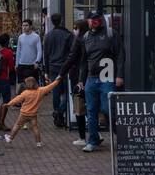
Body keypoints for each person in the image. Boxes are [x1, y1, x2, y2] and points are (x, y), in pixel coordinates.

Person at [79, 11, 125, 152]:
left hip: (107, 77)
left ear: (100, 20)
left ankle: (122, 137)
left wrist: (119, 75)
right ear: (88, 21)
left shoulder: (111, 34)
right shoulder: (86, 37)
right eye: (91, 19)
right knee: (91, 111)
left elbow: (120, 55)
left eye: (96, 19)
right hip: (91, 79)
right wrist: (81, 80)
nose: (94, 22)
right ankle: (93, 140)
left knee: (107, 109)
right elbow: (83, 61)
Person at [4, 70, 62, 148]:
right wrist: (57, 80)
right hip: (33, 114)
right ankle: (39, 142)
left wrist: (8, 104)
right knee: (35, 128)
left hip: (23, 113)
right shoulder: (40, 91)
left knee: (17, 126)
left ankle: (10, 138)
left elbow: (17, 99)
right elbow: (50, 87)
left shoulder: (25, 93)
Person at [43, 13, 73, 127]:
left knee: (55, 92)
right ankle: (60, 111)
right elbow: (72, 52)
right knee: (67, 92)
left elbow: (45, 54)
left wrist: (46, 70)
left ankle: (57, 112)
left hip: (52, 67)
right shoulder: (67, 35)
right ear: (61, 21)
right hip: (65, 67)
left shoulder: (48, 36)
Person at [65, 21, 89, 145]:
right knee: (90, 107)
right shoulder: (90, 39)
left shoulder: (78, 40)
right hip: (89, 77)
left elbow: (71, 58)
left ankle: (82, 137)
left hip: (78, 78)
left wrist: (62, 72)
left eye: (76, 28)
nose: (74, 30)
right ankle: (95, 133)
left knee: (79, 108)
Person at [0, 33, 15, 131]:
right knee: (6, 100)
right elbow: (11, 67)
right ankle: (1, 123)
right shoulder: (8, 52)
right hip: (4, 78)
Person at [15, 19, 43, 84]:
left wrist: (37, 61)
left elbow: (39, 50)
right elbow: (18, 51)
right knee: (22, 85)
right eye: (23, 25)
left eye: (26, 25)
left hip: (32, 65)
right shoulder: (20, 37)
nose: (24, 27)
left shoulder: (36, 37)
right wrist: (16, 63)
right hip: (21, 64)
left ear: (30, 26)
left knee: (32, 85)